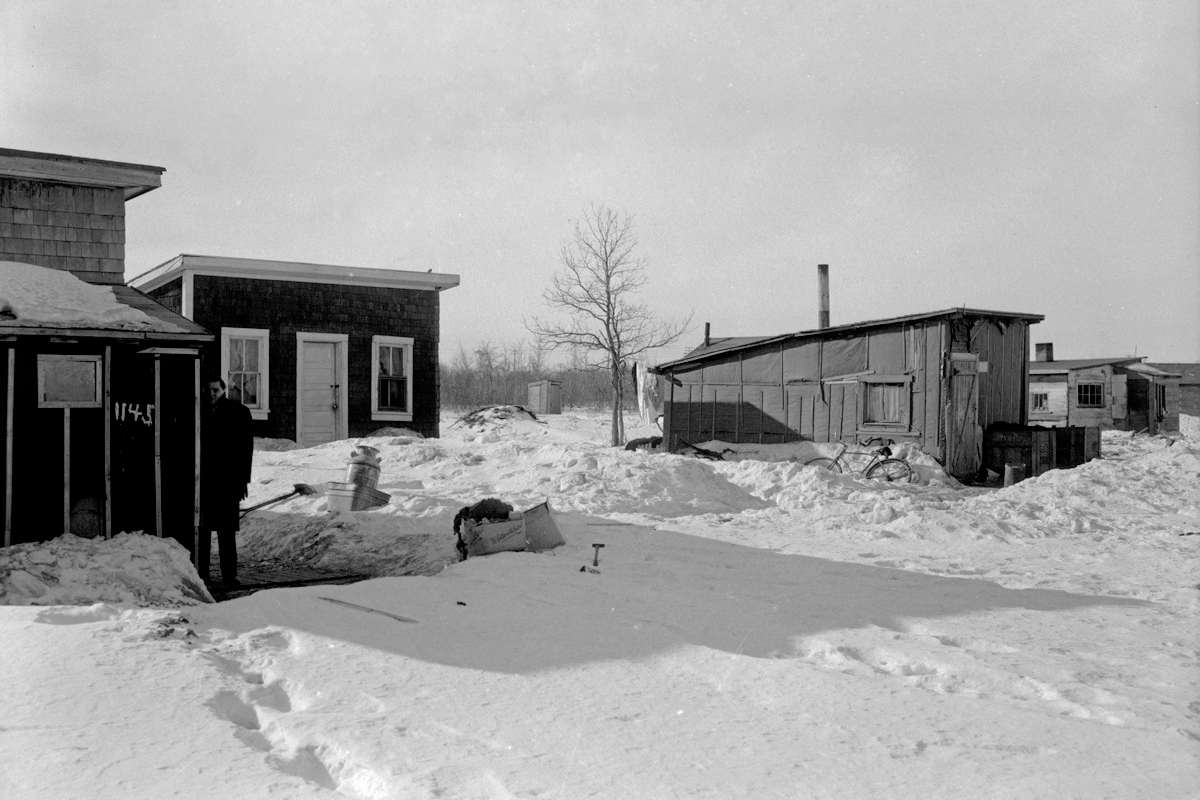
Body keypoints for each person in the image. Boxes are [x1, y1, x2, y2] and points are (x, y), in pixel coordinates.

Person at [200, 377, 253, 586]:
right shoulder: (201, 411)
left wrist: (243, 482)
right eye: (208, 390)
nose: (211, 394)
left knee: (226, 533)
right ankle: (202, 574)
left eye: (215, 390)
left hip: (228, 483)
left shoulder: (238, 412)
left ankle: (229, 576)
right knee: (202, 531)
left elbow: (245, 451)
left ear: (223, 390)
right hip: (205, 483)